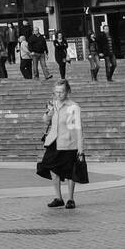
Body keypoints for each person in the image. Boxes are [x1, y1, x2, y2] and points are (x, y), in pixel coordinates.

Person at [37, 81, 83, 209]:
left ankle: (70, 199)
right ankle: (58, 197)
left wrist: (81, 149)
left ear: (67, 92)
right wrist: (49, 111)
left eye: (61, 92)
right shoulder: (54, 104)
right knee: (52, 169)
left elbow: (78, 128)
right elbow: (45, 120)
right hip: (53, 141)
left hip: (68, 142)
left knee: (69, 172)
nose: (58, 94)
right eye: (56, 92)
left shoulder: (73, 106)